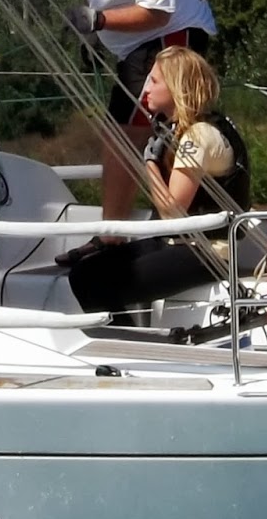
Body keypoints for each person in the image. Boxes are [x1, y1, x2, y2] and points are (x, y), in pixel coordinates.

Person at [58, 0, 216, 266]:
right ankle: (117, 233)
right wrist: (98, 31)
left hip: (172, 34)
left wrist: (99, 20)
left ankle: (128, 235)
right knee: (123, 134)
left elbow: (158, 10)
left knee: (130, 135)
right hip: (133, 43)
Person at [67, 46, 250, 324]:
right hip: (176, 244)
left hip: (206, 253)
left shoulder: (198, 136)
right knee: (84, 272)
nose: (145, 89)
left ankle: (128, 347)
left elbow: (172, 213)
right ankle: (128, 339)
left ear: (176, 88)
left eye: (154, 81)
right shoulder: (182, 130)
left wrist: (150, 162)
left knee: (96, 283)